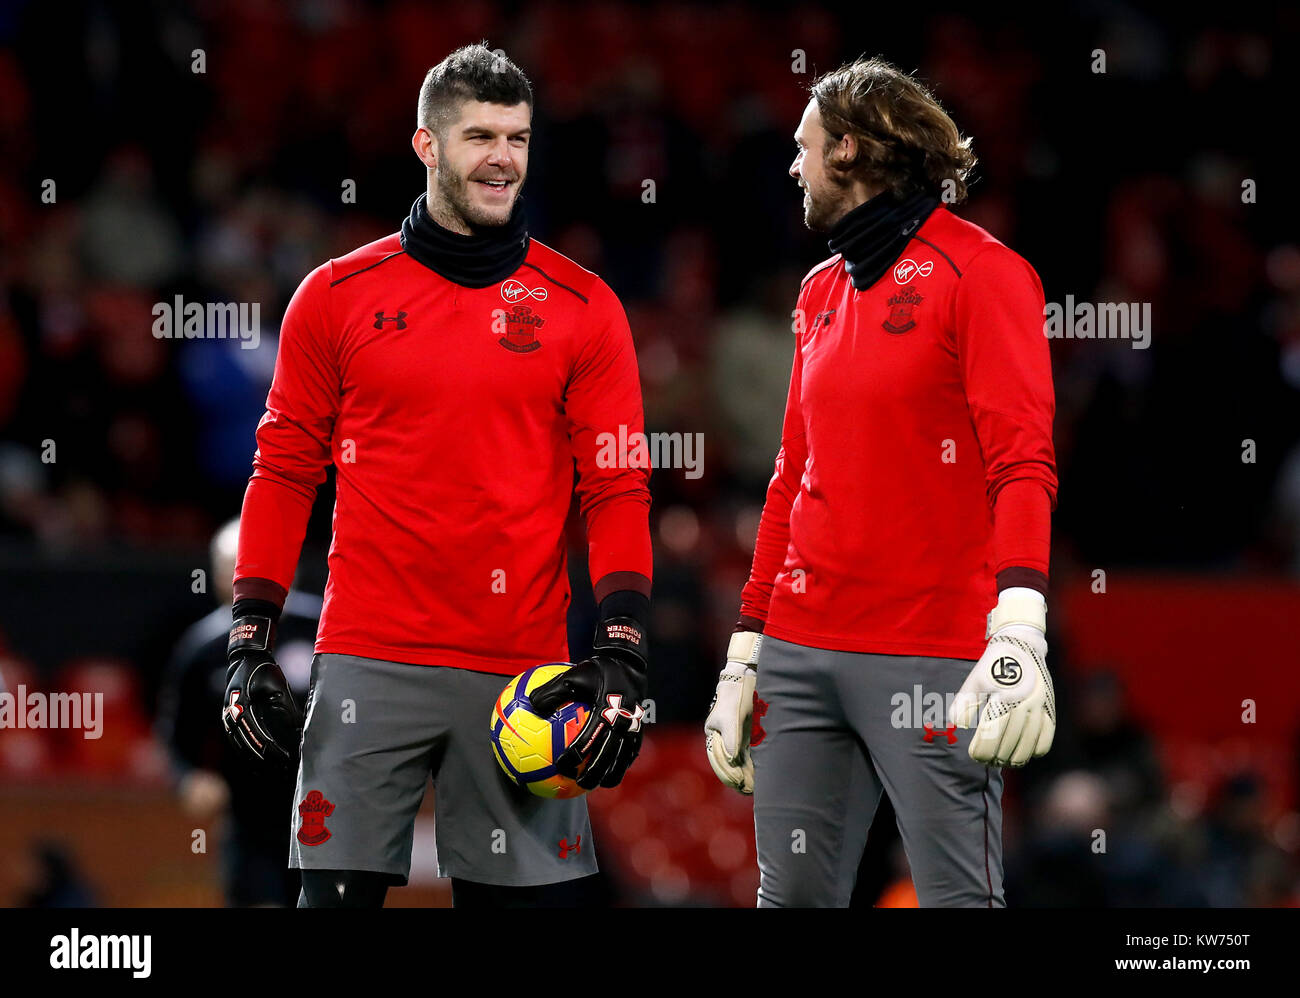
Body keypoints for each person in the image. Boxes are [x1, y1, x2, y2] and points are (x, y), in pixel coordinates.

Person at [221, 44, 653, 908]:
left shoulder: (586, 308)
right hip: (367, 657)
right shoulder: (334, 296)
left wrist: (624, 648)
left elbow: (616, 486)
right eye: (481, 137)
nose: (503, 159)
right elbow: (283, 470)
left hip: (525, 674)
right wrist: (249, 637)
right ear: (426, 146)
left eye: (519, 139)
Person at [705, 56, 1058, 907]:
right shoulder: (818, 289)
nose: (792, 165)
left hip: (931, 654)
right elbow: (793, 475)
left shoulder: (987, 275)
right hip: (800, 648)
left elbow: (1023, 461)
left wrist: (1020, 625)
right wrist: (748, 641)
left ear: (851, 151)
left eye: (806, 145)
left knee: (956, 899)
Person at [156, 517, 318, 906]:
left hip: (321, 814)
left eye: (248, 566)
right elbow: (176, 734)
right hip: (250, 823)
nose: (240, 579)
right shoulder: (202, 649)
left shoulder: (320, 629)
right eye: (231, 568)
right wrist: (189, 779)